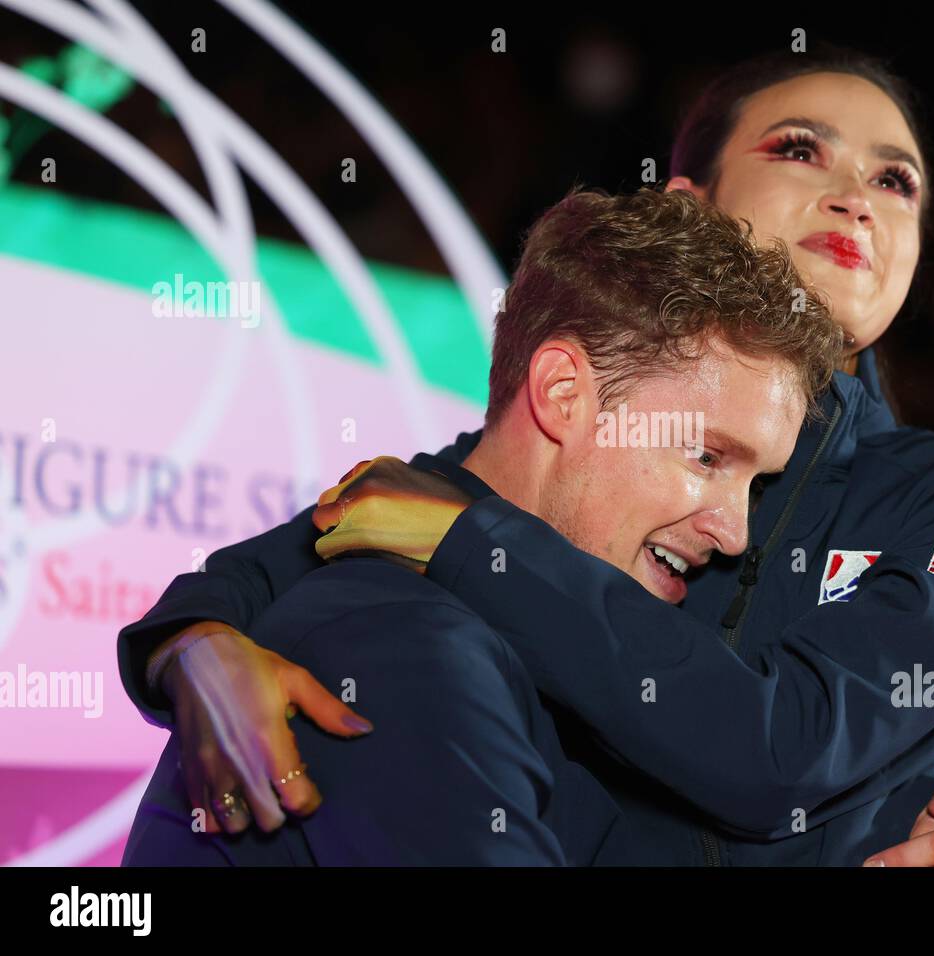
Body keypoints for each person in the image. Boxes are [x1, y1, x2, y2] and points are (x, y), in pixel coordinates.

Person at [119, 48, 934, 866]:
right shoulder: (541, 473)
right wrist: (194, 646)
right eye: (800, 148)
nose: (857, 199)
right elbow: (317, 551)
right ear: (686, 204)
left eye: (896, 179)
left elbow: (787, 750)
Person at [122, 186, 844, 865]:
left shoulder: (526, 634)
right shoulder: (406, 640)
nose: (737, 532)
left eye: (756, 484)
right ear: (563, 395)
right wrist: (190, 640)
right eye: (706, 455)